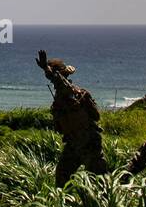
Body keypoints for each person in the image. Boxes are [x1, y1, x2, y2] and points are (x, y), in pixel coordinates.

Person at [36, 49, 108, 187]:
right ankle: (65, 201)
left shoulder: (70, 91)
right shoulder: (65, 94)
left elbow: (59, 81)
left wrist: (46, 68)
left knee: (100, 181)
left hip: (88, 142)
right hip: (73, 143)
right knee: (62, 176)